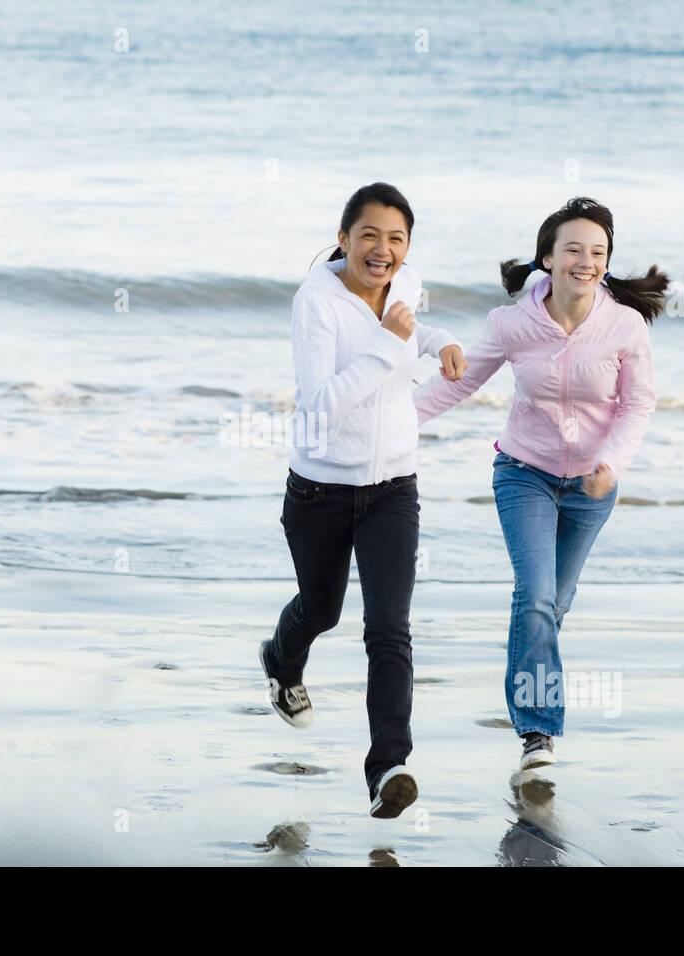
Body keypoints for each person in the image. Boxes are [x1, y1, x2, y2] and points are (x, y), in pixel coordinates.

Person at [412, 196, 667, 771]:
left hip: (592, 486)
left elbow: (638, 404)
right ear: (546, 259)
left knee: (554, 603)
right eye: (573, 249)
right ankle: (537, 734)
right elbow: (459, 384)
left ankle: (531, 674)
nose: (587, 260)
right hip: (523, 472)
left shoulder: (624, 325)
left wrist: (613, 462)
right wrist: (394, 421)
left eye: (598, 251)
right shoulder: (512, 323)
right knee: (536, 596)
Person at [260, 182, 468, 818]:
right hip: (320, 488)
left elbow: (410, 323)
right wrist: (388, 346)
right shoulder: (315, 304)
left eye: (397, 238)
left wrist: (436, 342)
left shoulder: (405, 285)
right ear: (344, 237)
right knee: (321, 611)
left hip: (392, 489)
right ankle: (280, 660)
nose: (383, 250)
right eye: (370, 236)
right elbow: (319, 409)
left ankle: (390, 768)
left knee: (389, 627)